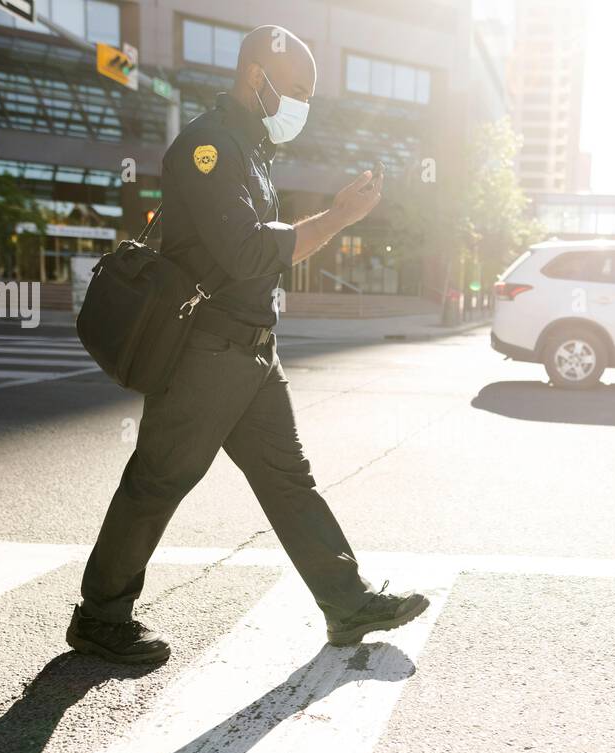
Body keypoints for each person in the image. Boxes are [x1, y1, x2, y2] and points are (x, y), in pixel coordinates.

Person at [66, 24, 428, 665]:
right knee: (157, 482)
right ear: (256, 76)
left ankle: (346, 602)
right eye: (296, 90)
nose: (304, 106)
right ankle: (100, 617)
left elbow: (259, 254)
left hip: (254, 353)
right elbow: (247, 251)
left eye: (310, 95)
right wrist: (338, 217)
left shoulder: (252, 149)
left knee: (289, 479)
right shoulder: (207, 147)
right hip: (206, 351)